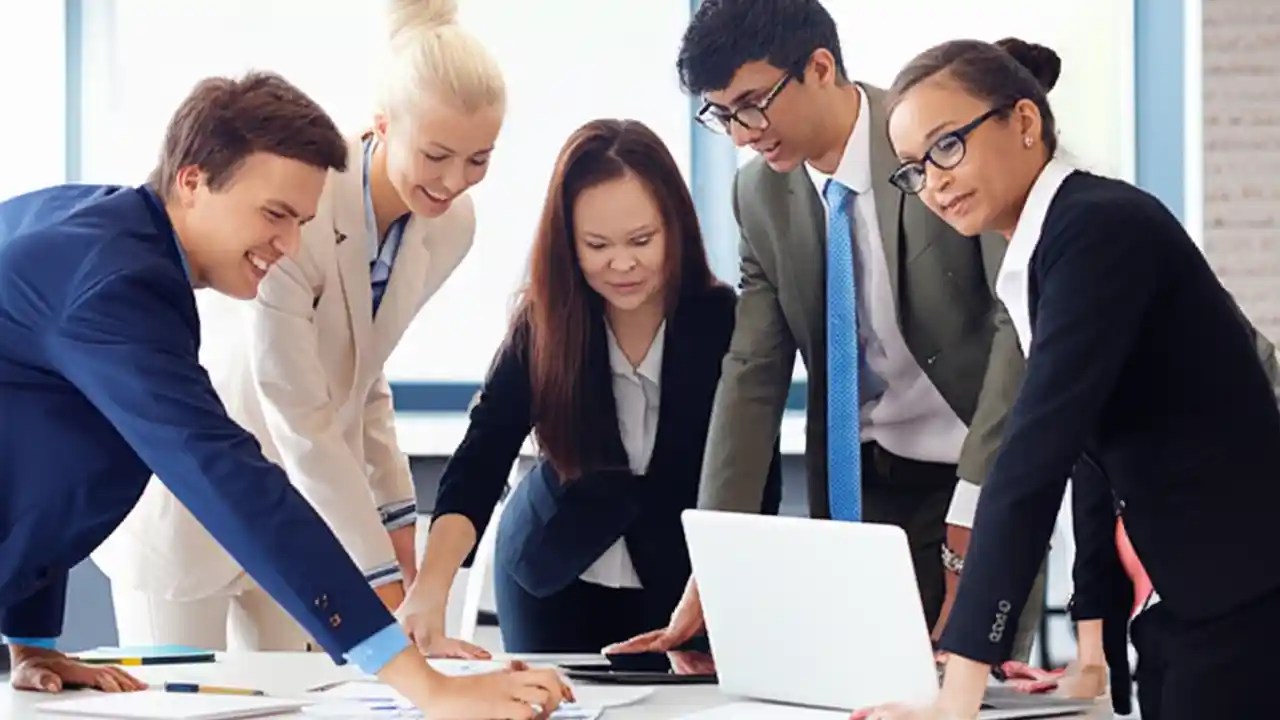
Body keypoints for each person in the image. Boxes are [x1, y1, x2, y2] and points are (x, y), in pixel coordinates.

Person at [0, 70, 569, 718]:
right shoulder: (115, 286)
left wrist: (31, 641)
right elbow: (226, 474)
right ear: (192, 182)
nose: (289, 245)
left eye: (301, 220)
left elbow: (35, 431)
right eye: (274, 215)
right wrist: (428, 687)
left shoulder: (93, 227)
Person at [854, 36, 1280, 720]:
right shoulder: (1047, 247)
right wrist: (1094, 656)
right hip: (1191, 608)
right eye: (912, 169)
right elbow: (1092, 460)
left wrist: (956, 696)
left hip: (1247, 604)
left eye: (947, 147)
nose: (933, 182)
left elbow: (1032, 458)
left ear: (1024, 122)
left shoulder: (1098, 231)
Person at [609, 0, 1041, 659]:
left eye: (753, 103)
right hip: (857, 494)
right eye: (722, 114)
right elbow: (753, 370)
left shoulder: (936, 141)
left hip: (976, 471)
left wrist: (976, 508)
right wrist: (715, 560)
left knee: (976, 682)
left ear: (819, 67)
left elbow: (1020, 324)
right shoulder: (757, 196)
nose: (743, 133)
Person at [92, 0, 504, 653]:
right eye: (436, 154)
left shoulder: (451, 228)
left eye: (479, 158)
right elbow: (299, 412)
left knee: (293, 702)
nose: (455, 181)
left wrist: (401, 532)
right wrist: (392, 597)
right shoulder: (305, 201)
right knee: (173, 705)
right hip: (198, 490)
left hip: (296, 513)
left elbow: (363, 377)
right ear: (382, 125)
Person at [394, 118, 783, 655]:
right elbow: (484, 453)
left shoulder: (722, 323)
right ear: (568, 244)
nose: (622, 264)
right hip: (553, 576)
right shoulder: (546, 322)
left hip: (682, 588)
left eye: (642, 240)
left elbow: (755, 475)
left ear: (675, 228)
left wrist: (738, 594)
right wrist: (430, 589)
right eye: (597, 245)